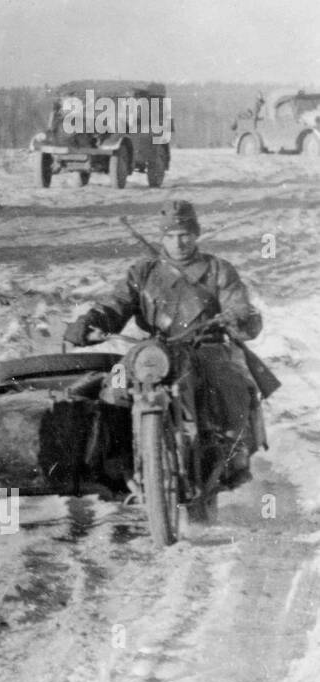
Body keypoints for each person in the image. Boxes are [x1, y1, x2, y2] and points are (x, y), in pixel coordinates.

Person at [64, 200, 265, 489]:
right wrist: (91, 322)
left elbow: (238, 303)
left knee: (230, 384)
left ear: (196, 235)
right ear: (161, 238)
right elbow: (116, 304)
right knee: (115, 385)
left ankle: (235, 454)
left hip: (205, 347)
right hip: (154, 350)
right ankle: (117, 457)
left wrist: (238, 315)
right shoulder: (143, 272)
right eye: (170, 236)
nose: (178, 242)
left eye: (184, 234)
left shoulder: (218, 269)